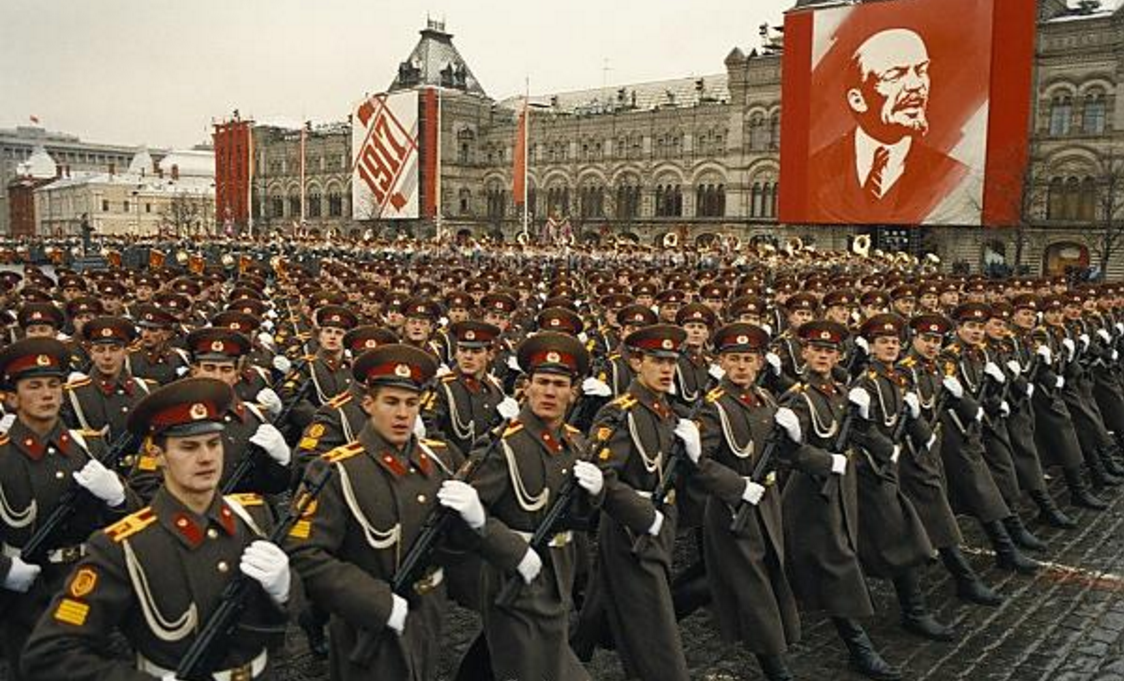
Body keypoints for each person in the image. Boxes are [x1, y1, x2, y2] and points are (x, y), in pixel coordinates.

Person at [284, 344, 530, 681]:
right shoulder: (334, 470)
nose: (402, 414)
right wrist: (377, 603)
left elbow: (452, 532)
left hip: (427, 610)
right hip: (364, 622)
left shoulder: (436, 461)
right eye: (391, 402)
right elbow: (304, 554)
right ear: (368, 403)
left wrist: (507, 546)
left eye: (411, 403)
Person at [21, 377, 293, 681]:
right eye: (188, 446)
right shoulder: (123, 545)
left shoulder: (252, 515)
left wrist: (284, 592)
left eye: (213, 443)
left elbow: (279, 621)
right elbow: (51, 652)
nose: (206, 457)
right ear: (157, 454)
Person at [462, 332, 602, 681]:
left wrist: (596, 493)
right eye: (542, 382)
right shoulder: (502, 446)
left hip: (559, 572)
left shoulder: (574, 442)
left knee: (509, 659)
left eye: (559, 384)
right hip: (515, 574)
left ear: (574, 392)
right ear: (526, 387)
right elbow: (468, 514)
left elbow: (579, 516)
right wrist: (514, 552)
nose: (550, 392)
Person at [0, 338, 137, 680]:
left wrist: (117, 496)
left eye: (53, 385)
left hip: (90, 582)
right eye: (34, 386)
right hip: (29, 593)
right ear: (11, 398)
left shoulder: (88, 445)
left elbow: (135, 517)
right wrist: (3, 569)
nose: (47, 394)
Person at [775, 319, 902, 681]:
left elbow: (861, 432)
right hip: (810, 496)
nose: (823, 355)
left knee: (780, 569)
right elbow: (788, 451)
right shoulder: (798, 397)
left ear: (839, 356)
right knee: (836, 565)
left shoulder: (840, 391)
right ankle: (860, 650)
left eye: (830, 351)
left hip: (839, 492)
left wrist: (886, 448)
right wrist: (826, 460)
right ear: (805, 352)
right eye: (817, 349)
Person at [575, 324, 695, 681]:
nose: (666, 369)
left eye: (671, 362)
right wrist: (646, 517)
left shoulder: (669, 412)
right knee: (654, 623)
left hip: (658, 523)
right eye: (657, 360)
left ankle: (574, 647)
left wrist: (693, 456)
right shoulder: (620, 413)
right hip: (632, 530)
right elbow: (602, 476)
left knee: (601, 608)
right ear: (636, 362)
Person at [694, 323, 801, 681]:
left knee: (762, 574)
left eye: (748, 359)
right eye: (733, 359)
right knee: (754, 588)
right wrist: (736, 486)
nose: (741, 367)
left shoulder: (766, 400)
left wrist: (792, 438)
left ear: (759, 363)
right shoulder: (713, 409)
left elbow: (777, 453)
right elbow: (697, 464)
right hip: (732, 509)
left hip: (767, 502)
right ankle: (775, 666)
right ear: (721, 362)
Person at [808, 28, 969, 224]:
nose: (916, 85)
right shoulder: (815, 169)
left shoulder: (950, 174)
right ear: (858, 100)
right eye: (895, 76)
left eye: (921, 70)